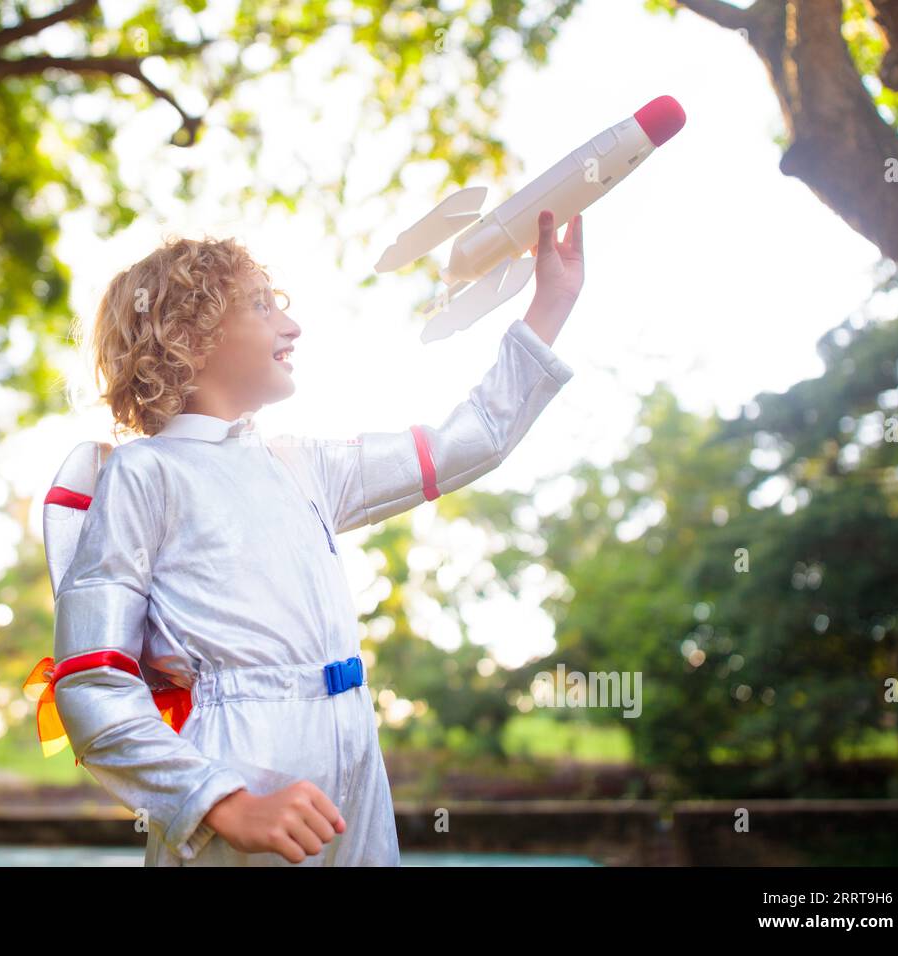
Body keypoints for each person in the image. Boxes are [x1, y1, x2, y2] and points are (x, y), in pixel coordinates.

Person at [51, 209, 583, 865]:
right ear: (189, 333)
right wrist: (219, 801)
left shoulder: (304, 465)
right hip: (240, 764)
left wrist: (550, 307)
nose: (292, 325)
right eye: (263, 305)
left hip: (356, 750)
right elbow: (90, 681)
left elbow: (463, 445)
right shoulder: (143, 472)